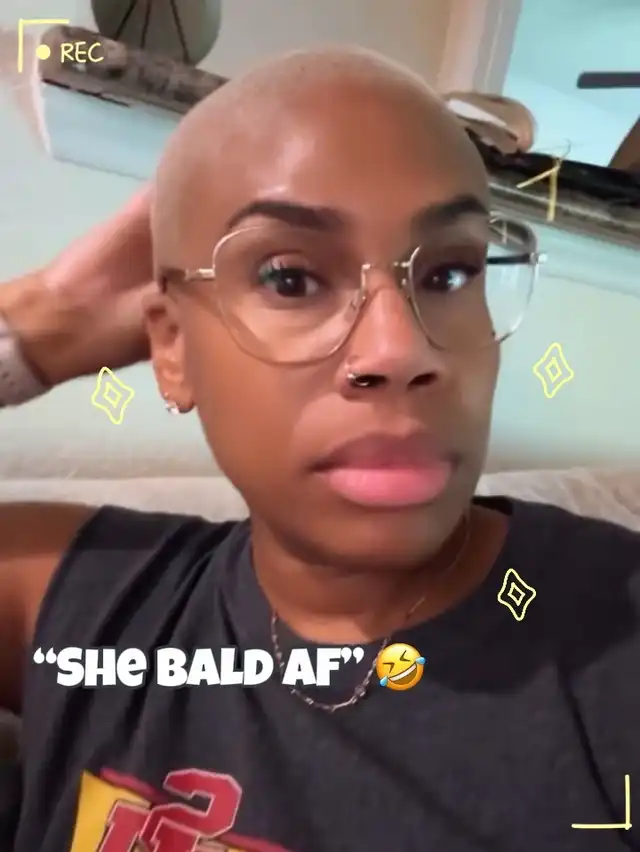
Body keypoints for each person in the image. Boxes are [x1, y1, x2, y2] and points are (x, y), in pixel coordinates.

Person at [0, 47, 639, 852]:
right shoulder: (79, 601)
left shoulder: (616, 642)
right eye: (291, 278)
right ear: (173, 347)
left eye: (449, 274)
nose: (400, 350)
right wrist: (37, 331)